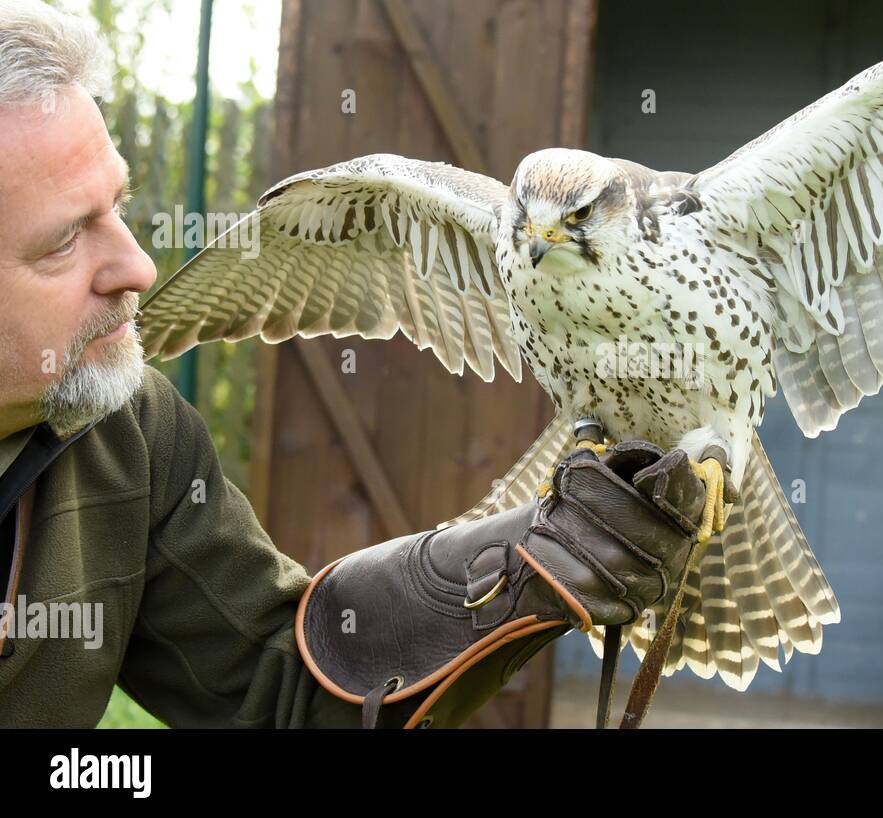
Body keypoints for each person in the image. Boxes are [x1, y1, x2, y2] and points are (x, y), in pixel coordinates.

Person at [0, 0, 705, 728]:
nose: (138, 267)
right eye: (62, 241)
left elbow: (279, 693)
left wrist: (515, 573)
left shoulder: (128, 439)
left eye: (119, 206)